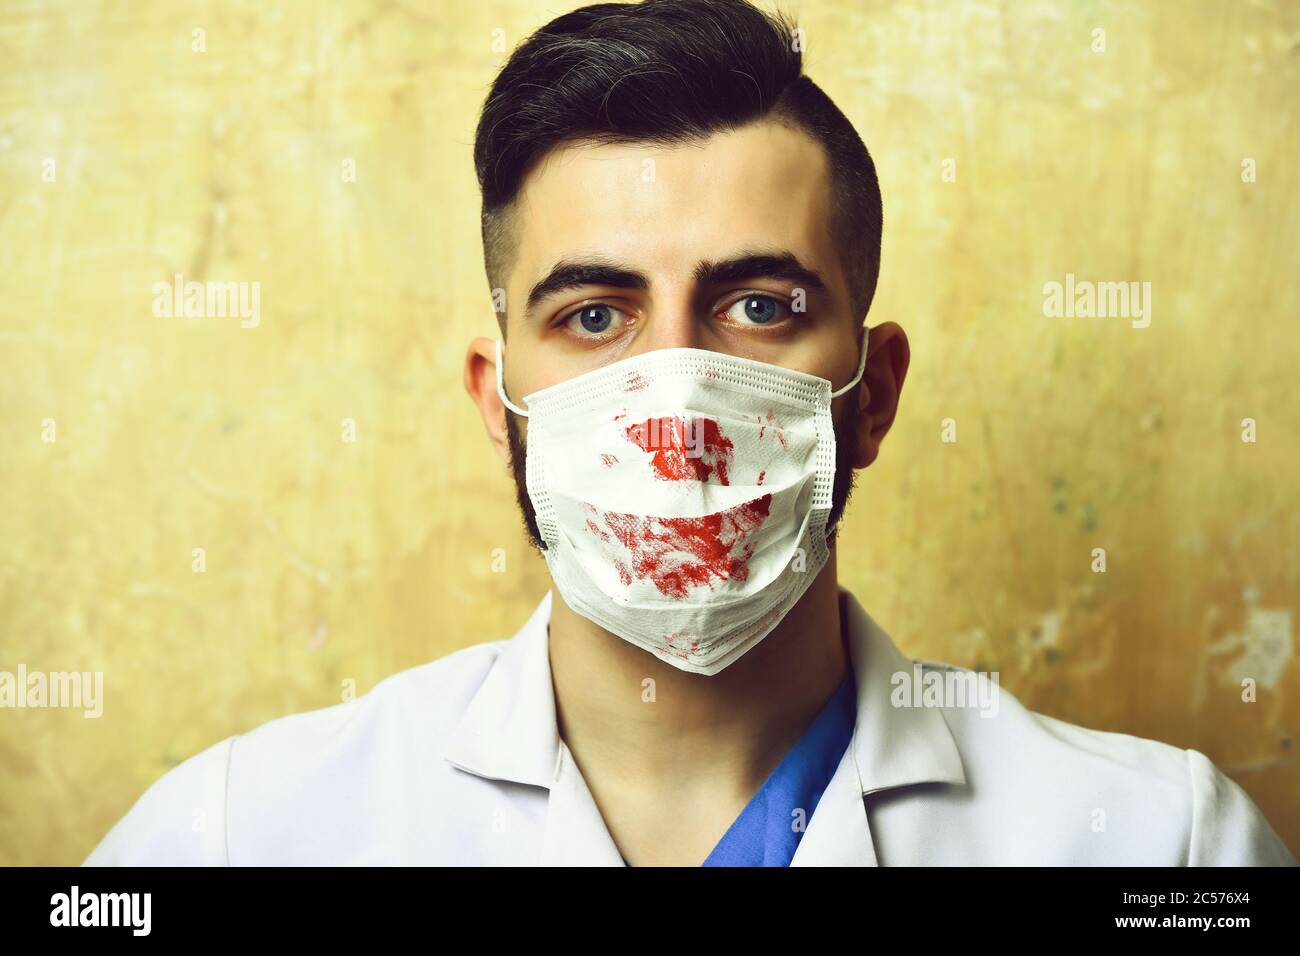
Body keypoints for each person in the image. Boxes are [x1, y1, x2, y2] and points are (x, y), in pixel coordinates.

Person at [84, 0, 1295, 867]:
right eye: (596, 313)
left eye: (760, 306)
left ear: (870, 394)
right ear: (494, 402)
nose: (673, 395)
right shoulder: (240, 834)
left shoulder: (1159, 845)